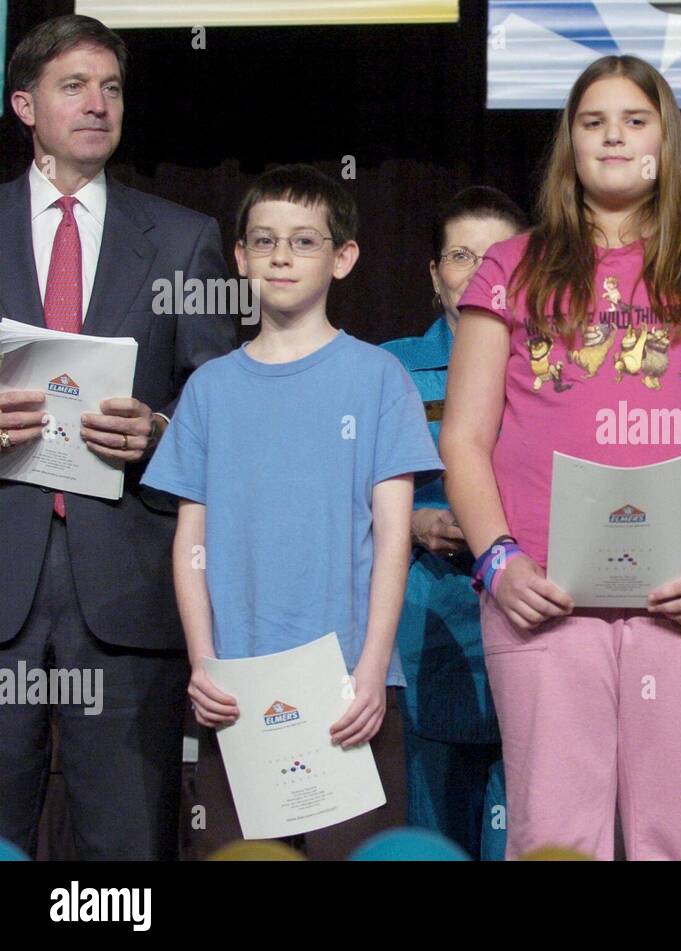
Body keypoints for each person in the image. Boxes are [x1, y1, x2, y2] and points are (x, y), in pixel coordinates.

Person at [439, 54, 681, 860]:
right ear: (569, 142)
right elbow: (464, 436)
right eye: (593, 121)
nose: (612, 137)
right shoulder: (508, 268)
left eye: (634, 121)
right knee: (555, 835)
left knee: (679, 832)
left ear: (666, 141)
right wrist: (499, 561)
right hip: (543, 595)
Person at [141, 164, 439, 859]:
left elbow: (394, 537)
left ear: (343, 257)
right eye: (265, 240)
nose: (281, 255)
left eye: (304, 241)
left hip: (348, 693)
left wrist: (371, 669)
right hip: (239, 697)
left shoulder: (379, 379)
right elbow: (191, 542)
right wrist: (204, 661)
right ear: (239, 256)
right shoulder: (210, 390)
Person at [0, 14, 236, 860]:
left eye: (111, 87)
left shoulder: (182, 239)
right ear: (25, 104)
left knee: (128, 844)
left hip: (128, 588)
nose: (98, 104)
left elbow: (219, 407)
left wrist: (162, 429)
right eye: (73, 86)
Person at [380, 186, 528, 860]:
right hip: (427, 631)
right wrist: (412, 522)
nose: (478, 271)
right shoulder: (389, 370)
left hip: (537, 624)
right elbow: (329, 493)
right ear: (434, 271)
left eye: (497, 255)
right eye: (460, 255)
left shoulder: (561, 371)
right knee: (431, 842)